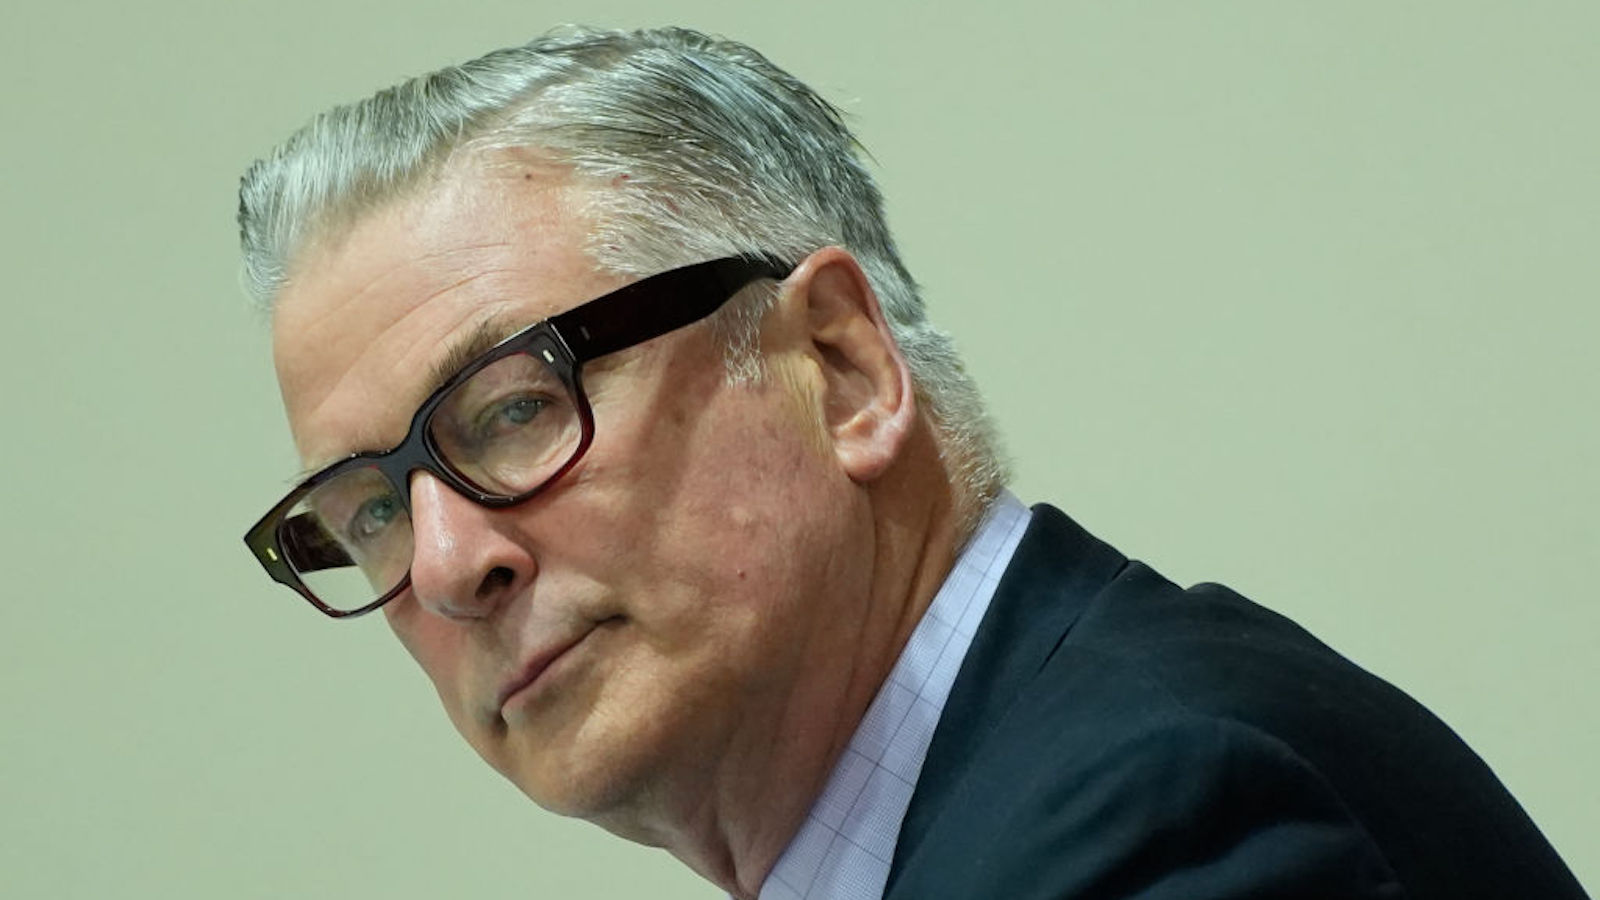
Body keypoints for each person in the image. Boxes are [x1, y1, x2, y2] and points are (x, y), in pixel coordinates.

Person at [238, 26, 1588, 900]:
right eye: (368, 512)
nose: (447, 563)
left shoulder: (1158, 823)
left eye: (514, 410)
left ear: (839, 370)